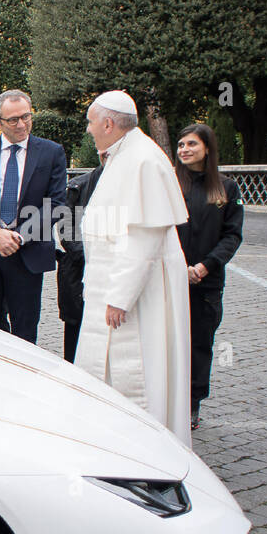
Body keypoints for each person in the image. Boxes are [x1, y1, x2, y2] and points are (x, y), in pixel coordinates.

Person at [73, 91, 192, 442]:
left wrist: (120, 298)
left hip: (139, 295)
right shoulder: (123, 156)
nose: (90, 129)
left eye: (92, 122)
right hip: (117, 287)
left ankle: (145, 443)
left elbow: (143, 237)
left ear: (109, 123)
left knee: (140, 369)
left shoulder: (143, 160)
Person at [0, 90, 67, 343]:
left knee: (25, 330)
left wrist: (19, 237)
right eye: (13, 120)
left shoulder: (51, 152)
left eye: (26, 117)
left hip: (27, 255)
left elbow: (56, 204)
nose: (21, 124)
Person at [174, 123, 243, 429]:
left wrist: (204, 266)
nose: (184, 150)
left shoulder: (226, 188)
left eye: (191, 144)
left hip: (206, 282)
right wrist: (177, 266)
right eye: (180, 145)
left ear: (207, 148)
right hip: (171, 278)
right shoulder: (170, 184)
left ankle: (192, 403)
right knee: (169, 343)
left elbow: (231, 236)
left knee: (199, 345)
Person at [56, 162, 104, 363]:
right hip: (78, 272)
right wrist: (93, 256)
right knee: (75, 338)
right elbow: (66, 228)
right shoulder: (78, 186)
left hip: (111, 276)